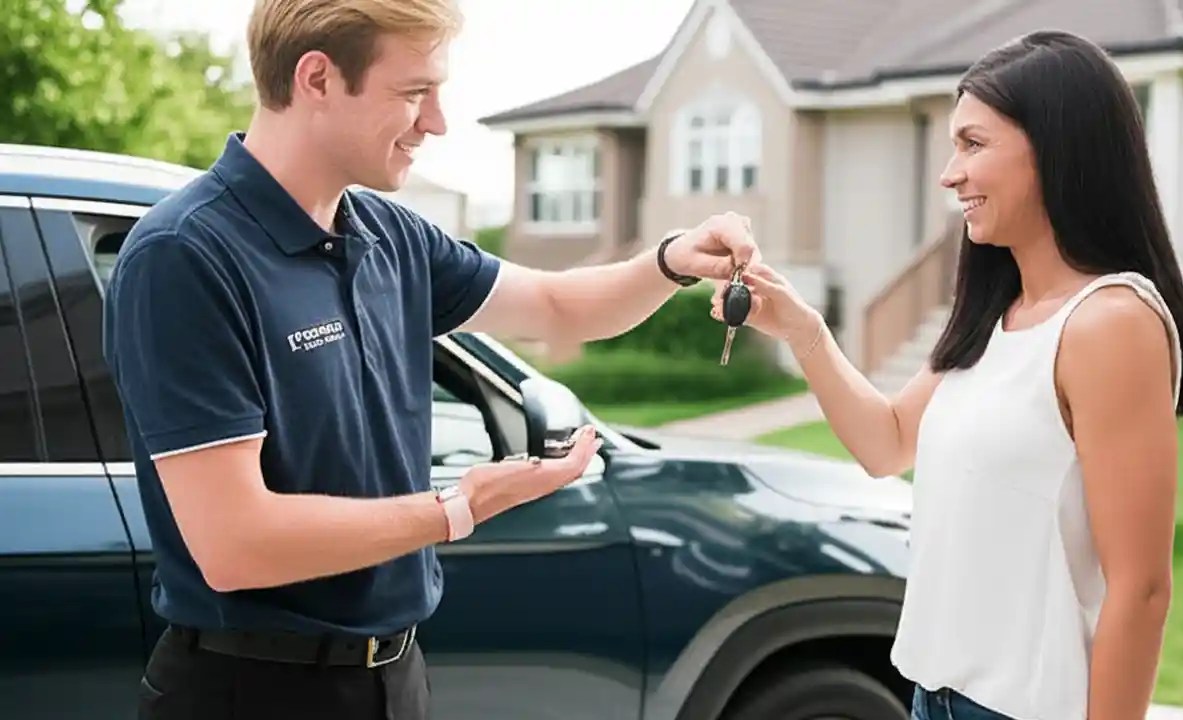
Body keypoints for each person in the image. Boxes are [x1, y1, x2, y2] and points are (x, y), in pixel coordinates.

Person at [102, 1, 759, 718]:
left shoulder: (390, 237)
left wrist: (671, 261)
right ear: (317, 78)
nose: (437, 122)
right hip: (252, 691)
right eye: (415, 93)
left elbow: (559, 307)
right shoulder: (186, 256)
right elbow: (235, 546)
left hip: (394, 678)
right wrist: (459, 507)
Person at [717, 30, 1183, 720]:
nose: (950, 174)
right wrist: (803, 329)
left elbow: (1142, 590)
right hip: (933, 699)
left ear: (1055, 149)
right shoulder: (999, 315)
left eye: (973, 144)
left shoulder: (1108, 324)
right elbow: (887, 444)